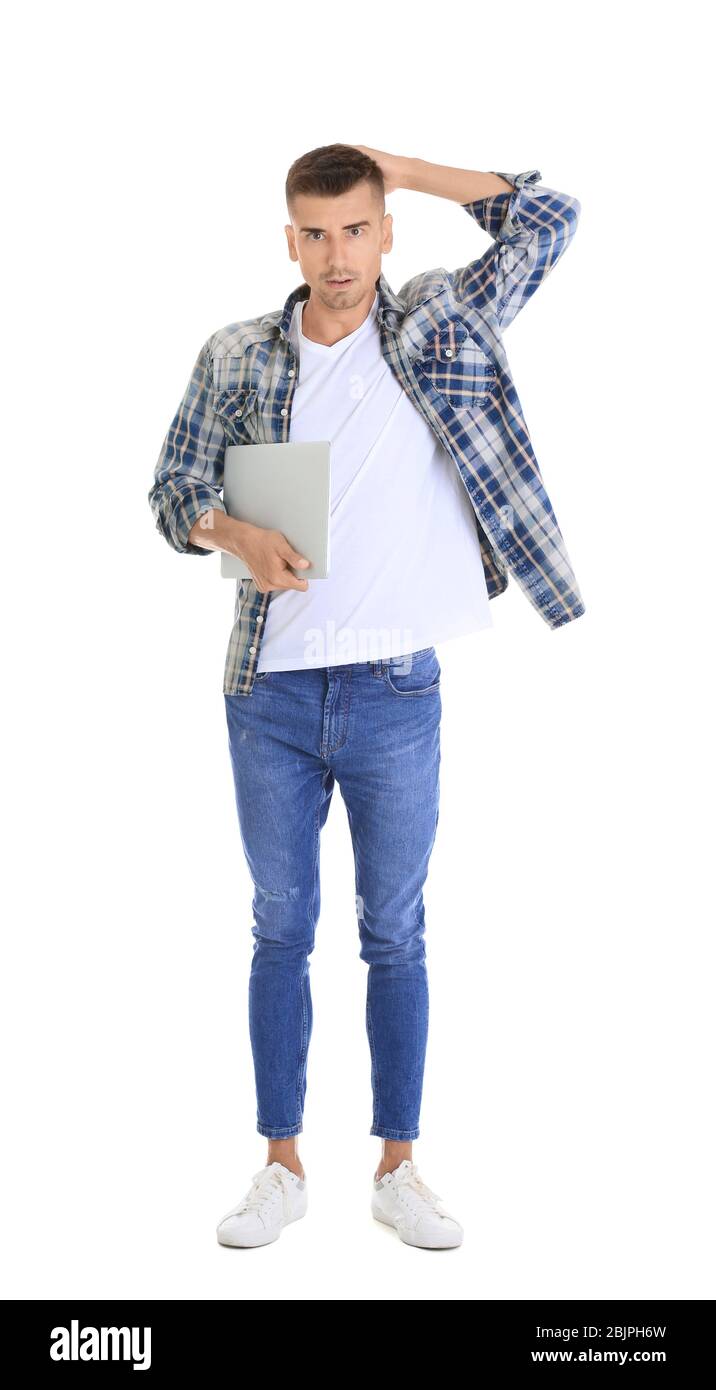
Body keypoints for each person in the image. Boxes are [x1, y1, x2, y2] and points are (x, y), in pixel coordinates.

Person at [148, 143, 584, 1250]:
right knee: (279, 927)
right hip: (270, 694)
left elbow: (547, 217)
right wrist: (231, 528)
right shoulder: (237, 352)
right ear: (287, 239)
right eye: (315, 232)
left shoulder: (437, 322)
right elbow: (171, 488)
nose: (336, 256)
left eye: (357, 227)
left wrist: (400, 166)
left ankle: (398, 1165)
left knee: (394, 931)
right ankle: (280, 1164)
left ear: (385, 232)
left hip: (398, 687)